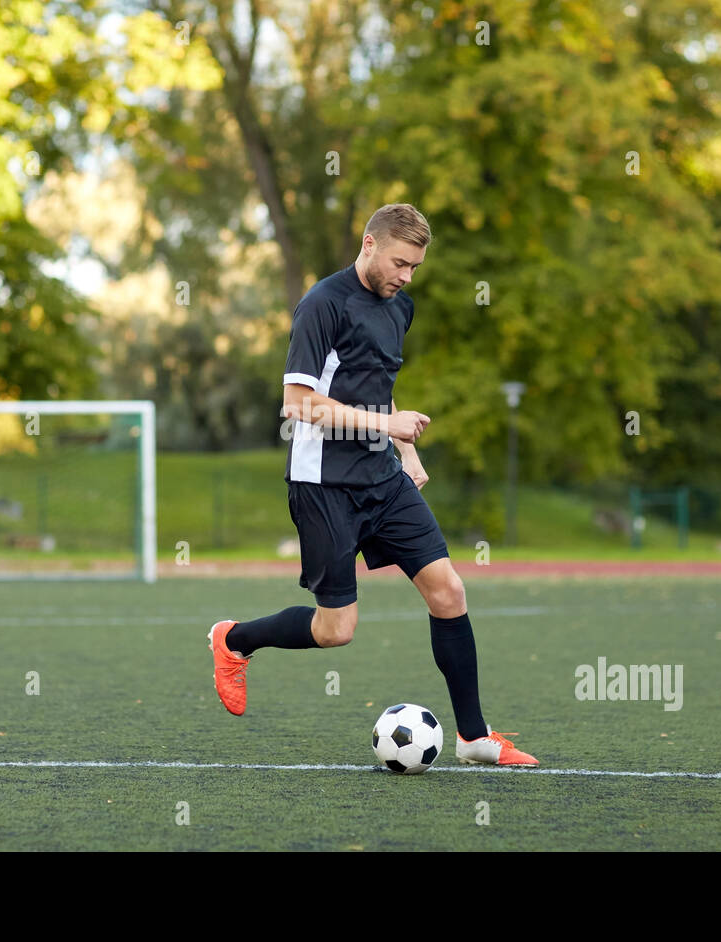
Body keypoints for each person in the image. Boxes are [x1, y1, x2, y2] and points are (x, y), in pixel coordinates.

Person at [207, 203, 537, 766]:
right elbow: (298, 405)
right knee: (336, 631)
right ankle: (235, 640)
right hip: (324, 485)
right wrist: (388, 426)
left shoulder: (399, 307)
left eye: (415, 267)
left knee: (449, 592)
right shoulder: (322, 305)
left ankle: (475, 736)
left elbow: (376, 388)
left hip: (383, 477)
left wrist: (404, 449)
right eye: (400, 262)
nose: (406, 276)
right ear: (368, 244)